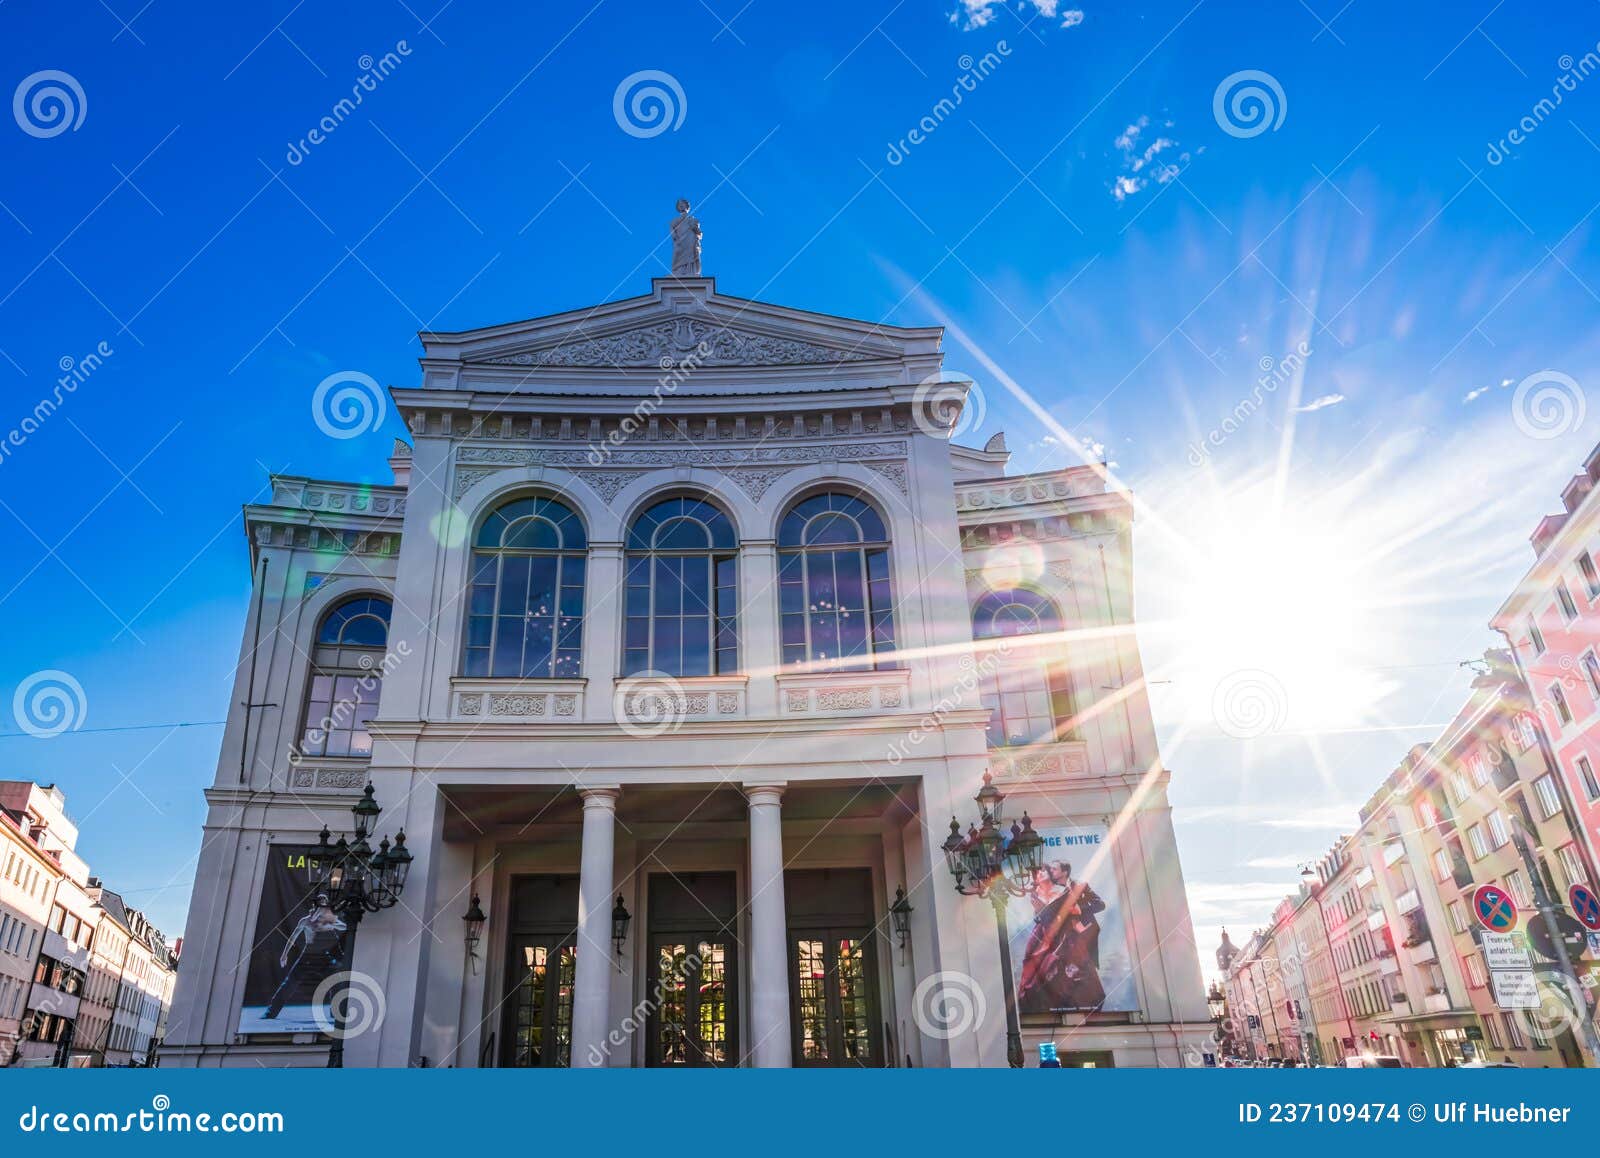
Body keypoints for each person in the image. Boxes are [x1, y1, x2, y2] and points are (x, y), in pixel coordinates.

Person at [1017, 862, 1107, 1012]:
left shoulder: (1070, 888)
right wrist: (1039, 912)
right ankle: (1036, 1000)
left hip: (1068, 934)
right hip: (1047, 933)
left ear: (1062, 872)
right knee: (1037, 965)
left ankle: (1079, 999)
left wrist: (1078, 910)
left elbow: (1098, 905)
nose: (1042, 873)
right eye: (1041, 872)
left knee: (1065, 966)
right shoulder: (1037, 893)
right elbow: (1043, 917)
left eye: (1048, 870)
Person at [264, 894, 347, 1019]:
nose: (323, 906)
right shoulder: (306, 921)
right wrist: (284, 955)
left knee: (336, 980)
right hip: (308, 955)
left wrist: (331, 923)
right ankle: (271, 1012)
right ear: (315, 905)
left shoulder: (328, 918)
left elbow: (344, 926)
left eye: (324, 903)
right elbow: (293, 938)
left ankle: (335, 1011)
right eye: (321, 903)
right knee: (289, 983)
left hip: (324, 956)